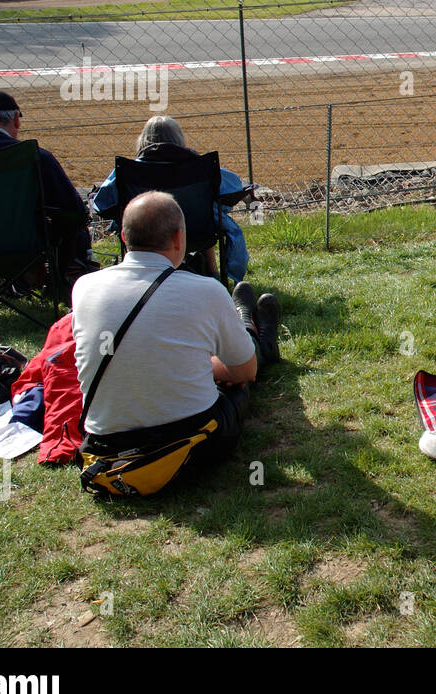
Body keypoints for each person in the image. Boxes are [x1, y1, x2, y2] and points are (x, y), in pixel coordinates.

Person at [71, 192, 281, 488]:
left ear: (122, 236)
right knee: (242, 376)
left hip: (104, 447)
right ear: (179, 238)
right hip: (190, 445)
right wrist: (210, 368)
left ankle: (250, 324)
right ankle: (254, 331)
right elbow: (244, 371)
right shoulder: (205, 290)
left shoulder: (84, 287)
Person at [0, 90, 95, 286]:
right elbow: (74, 210)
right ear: (16, 121)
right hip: (24, 249)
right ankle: (57, 283)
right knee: (71, 222)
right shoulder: (36, 157)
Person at [91, 115, 251, 281]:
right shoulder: (199, 167)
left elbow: (101, 203)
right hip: (196, 233)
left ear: (143, 141)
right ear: (179, 139)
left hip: (142, 237)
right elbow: (234, 185)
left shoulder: (128, 170)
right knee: (209, 210)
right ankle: (215, 274)